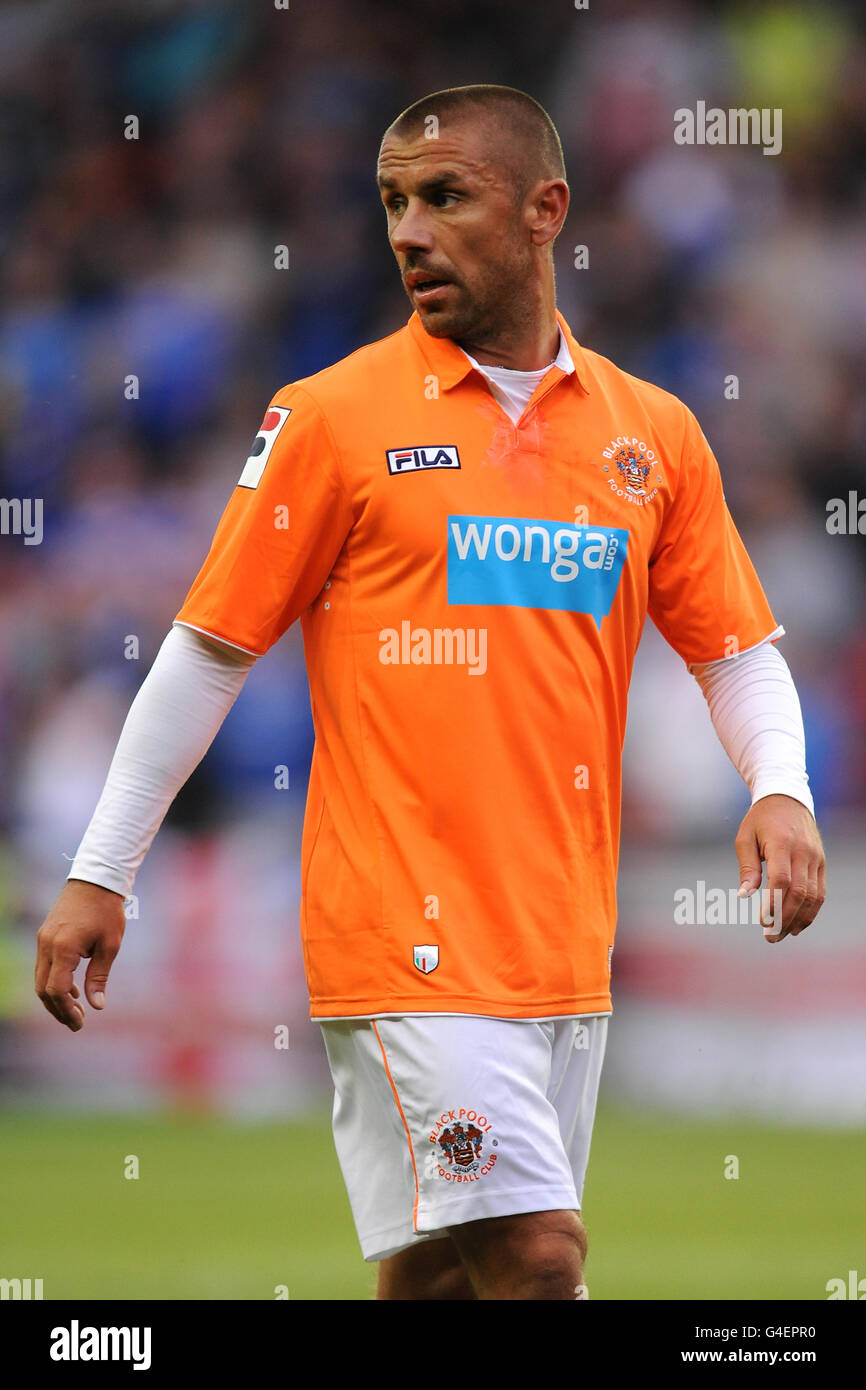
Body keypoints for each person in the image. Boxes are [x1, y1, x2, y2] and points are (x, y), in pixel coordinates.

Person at [34, 85, 826, 1301]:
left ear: (542, 210)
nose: (408, 229)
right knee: (537, 1255)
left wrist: (780, 788)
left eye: (444, 197)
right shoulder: (330, 419)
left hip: (561, 948)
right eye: (394, 202)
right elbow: (205, 651)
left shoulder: (652, 436)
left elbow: (732, 649)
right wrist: (102, 867)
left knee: (441, 1278)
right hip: (401, 937)